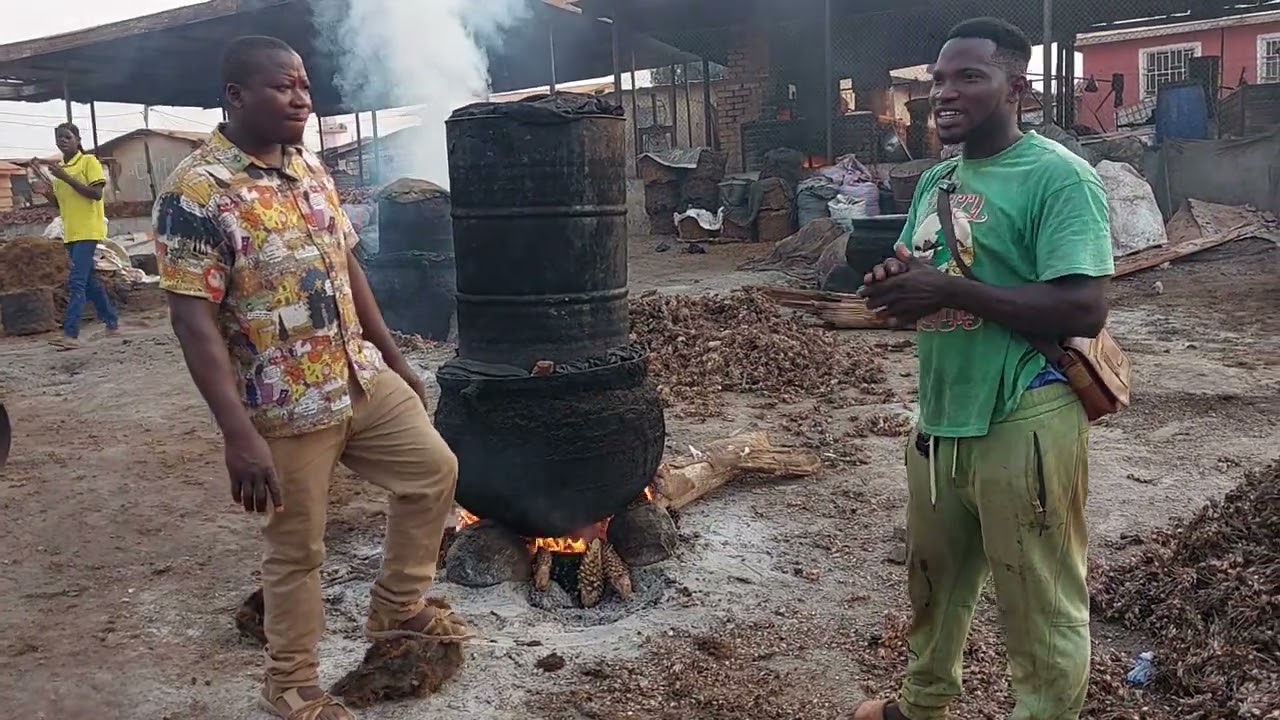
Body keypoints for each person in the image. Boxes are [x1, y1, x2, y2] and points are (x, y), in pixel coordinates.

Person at [154, 36, 467, 720]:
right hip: (282, 403)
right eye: (282, 86)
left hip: (355, 374)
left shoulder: (309, 167)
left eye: (304, 85)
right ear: (236, 96)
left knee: (434, 470)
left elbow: (347, 268)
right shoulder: (196, 192)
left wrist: (395, 358)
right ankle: (290, 685)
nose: (301, 97)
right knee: (298, 551)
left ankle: (396, 610)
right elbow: (192, 321)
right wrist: (237, 434)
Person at [854, 17, 1113, 720]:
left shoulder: (1059, 179)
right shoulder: (939, 176)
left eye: (969, 76)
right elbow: (924, 275)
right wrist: (893, 287)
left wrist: (950, 290)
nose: (945, 92)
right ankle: (921, 705)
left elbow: (1085, 306)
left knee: (1039, 602)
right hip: (940, 414)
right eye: (938, 79)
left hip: (1024, 415)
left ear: (1015, 88)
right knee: (933, 587)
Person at [30, 123, 120, 349]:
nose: (63, 141)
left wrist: (65, 177)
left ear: (78, 140)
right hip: (71, 231)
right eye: (59, 137)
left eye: (67, 137)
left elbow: (96, 194)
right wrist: (46, 192)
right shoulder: (60, 170)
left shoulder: (89, 162)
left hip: (88, 229)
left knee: (77, 281)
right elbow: (60, 203)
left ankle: (70, 333)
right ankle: (111, 322)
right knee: (89, 281)